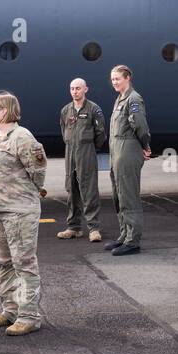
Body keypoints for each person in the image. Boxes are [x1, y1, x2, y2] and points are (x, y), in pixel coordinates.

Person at [0, 92, 47, 336]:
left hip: (18, 210)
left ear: (5, 112)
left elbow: (38, 171)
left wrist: (26, 194)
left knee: (24, 263)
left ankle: (29, 315)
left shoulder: (22, 137)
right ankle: (10, 310)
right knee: (4, 263)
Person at [106, 65, 151, 257]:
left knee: (129, 196)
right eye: (113, 79)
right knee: (119, 195)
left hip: (127, 149)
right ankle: (124, 235)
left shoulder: (133, 99)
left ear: (128, 78)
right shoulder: (119, 99)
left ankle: (133, 241)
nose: (114, 82)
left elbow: (140, 125)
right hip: (117, 151)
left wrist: (145, 145)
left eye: (118, 78)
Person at [57, 78, 107, 243]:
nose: (75, 91)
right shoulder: (66, 110)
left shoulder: (94, 109)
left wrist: (92, 148)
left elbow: (101, 133)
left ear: (86, 89)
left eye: (78, 88)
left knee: (89, 190)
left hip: (86, 152)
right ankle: (74, 227)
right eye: (72, 88)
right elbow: (64, 131)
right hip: (70, 152)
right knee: (71, 189)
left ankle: (93, 228)